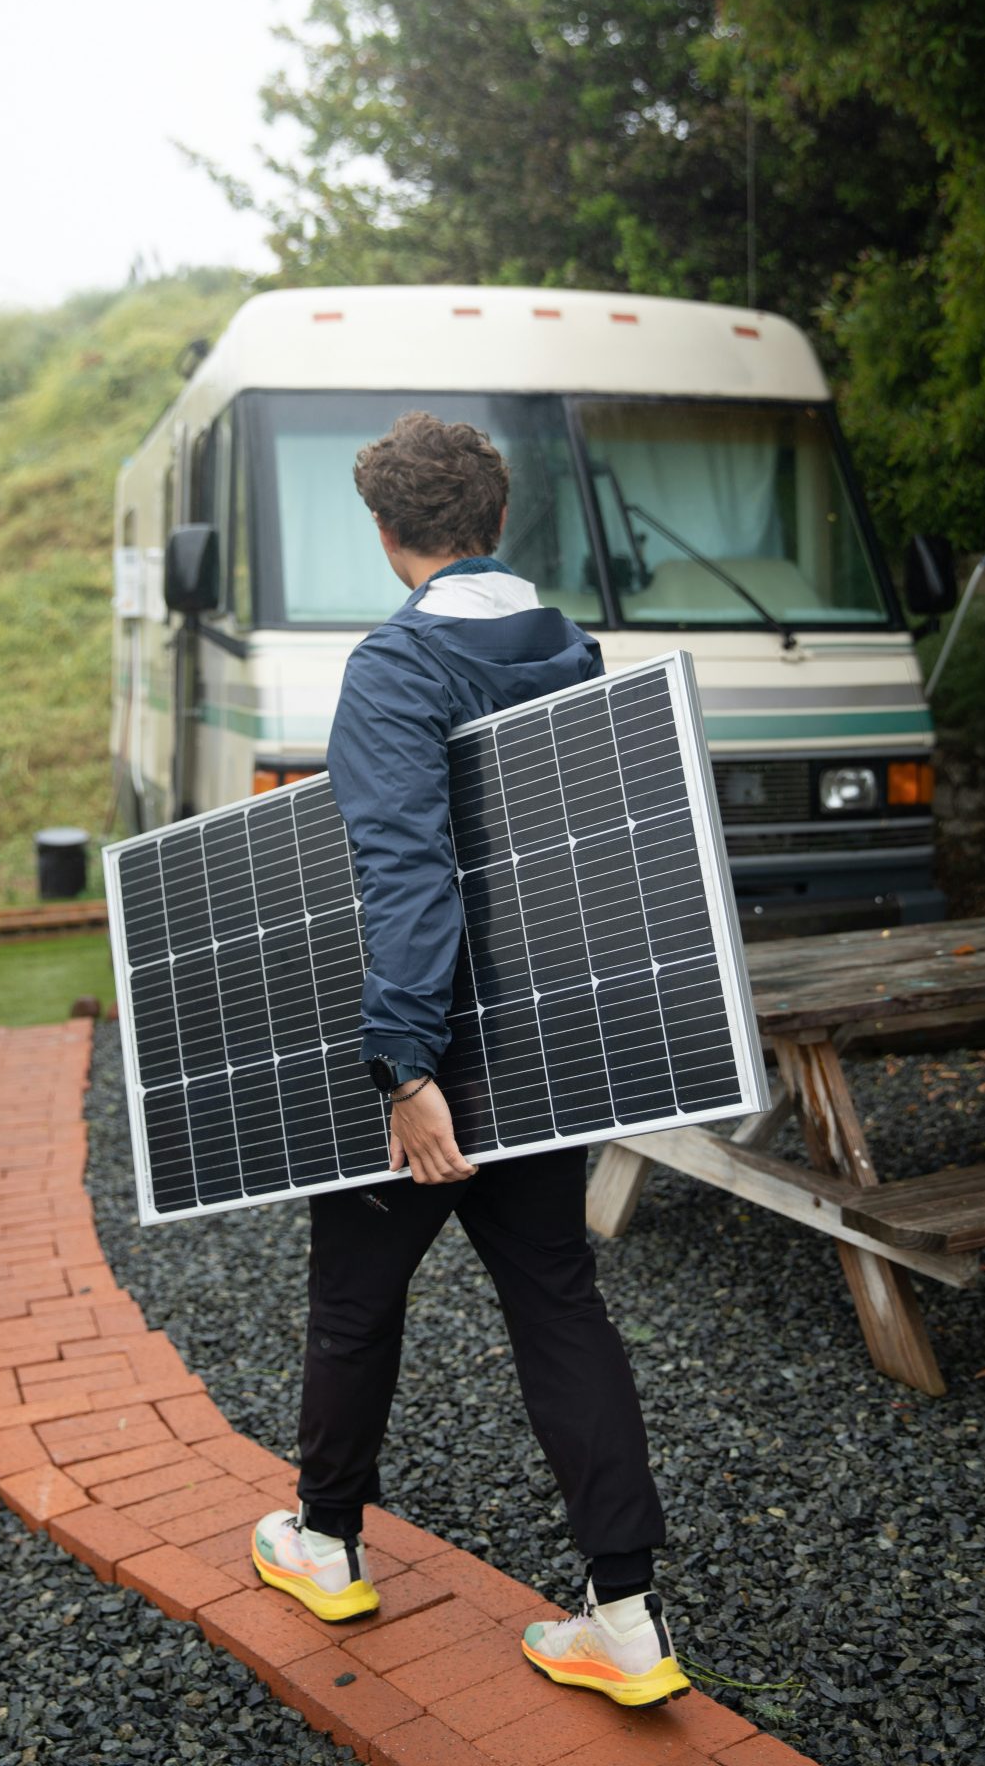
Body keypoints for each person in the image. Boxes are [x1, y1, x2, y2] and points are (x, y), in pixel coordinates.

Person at [251, 411, 686, 1709]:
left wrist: (408, 1067)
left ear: (389, 535)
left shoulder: (394, 668)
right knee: (558, 1304)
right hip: (554, 1049)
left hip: (444, 1058)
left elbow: (404, 873)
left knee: (354, 1297)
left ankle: (324, 1543)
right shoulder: (571, 649)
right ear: (494, 523)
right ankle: (625, 1619)